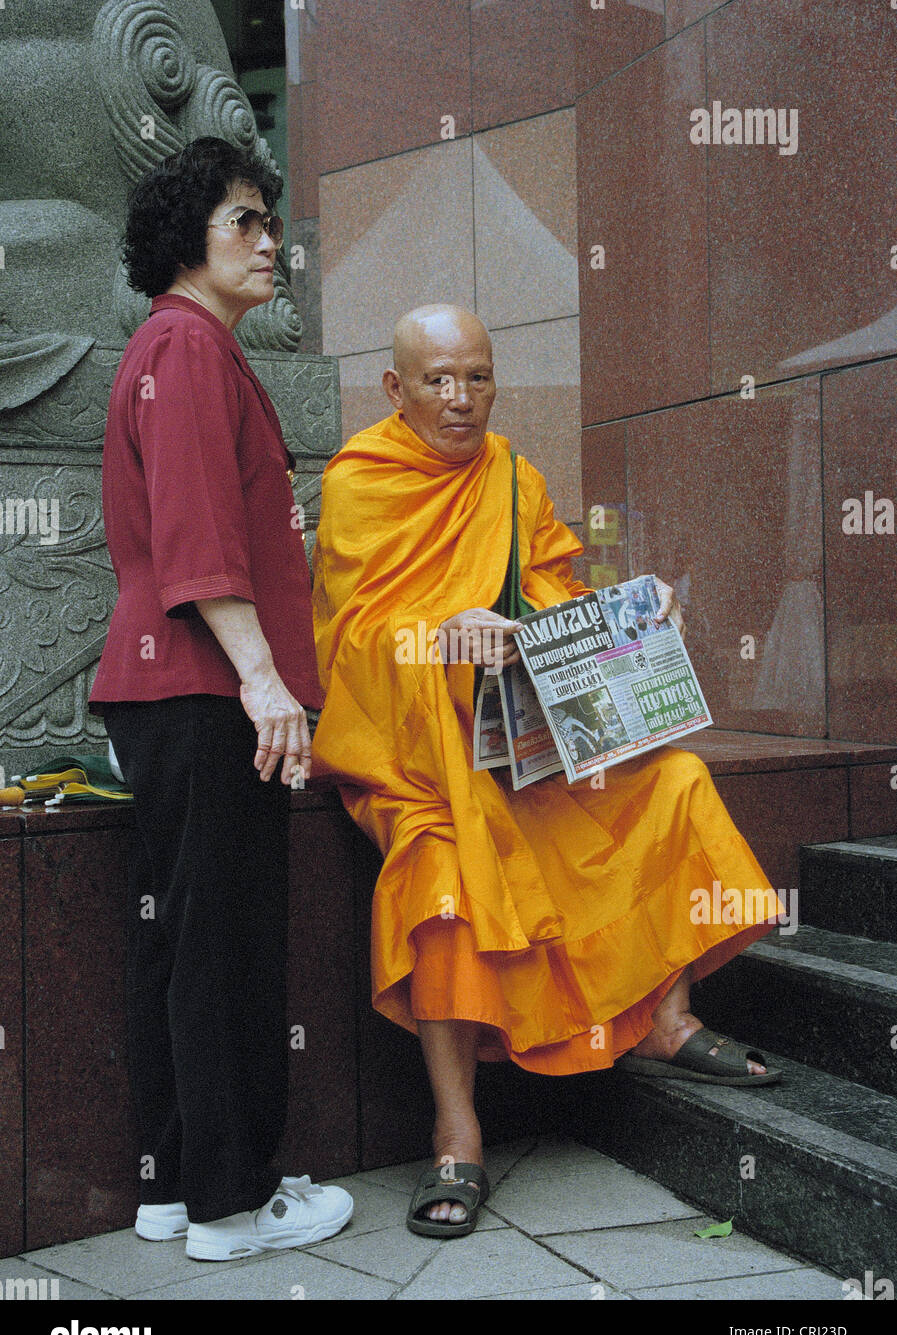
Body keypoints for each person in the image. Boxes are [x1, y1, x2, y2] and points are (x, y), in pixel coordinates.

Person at [311, 303, 782, 1239]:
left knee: (678, 782)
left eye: (477, 377)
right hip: (416, 762)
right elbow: (352, 638)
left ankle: (665, 1022)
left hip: (521, 749)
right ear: (393, 389)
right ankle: (458, 1132)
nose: (460, 399)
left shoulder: (513, 478)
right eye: (437, 381)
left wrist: (628, 623)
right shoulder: (361, 481)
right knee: (437, 879)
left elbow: (554, 596)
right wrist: (439, 636)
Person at [89, 137, 352, 1260]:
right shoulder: (187, 346)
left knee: (178, 943)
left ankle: (172, 1188)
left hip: (171, 692)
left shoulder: (175, 349)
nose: (268, 242)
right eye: (244, 221)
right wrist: (263, 681)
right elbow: (201, 540)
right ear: (189, 237)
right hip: (206, 690)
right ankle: (234, 1204)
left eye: (269, 221)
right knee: (225, 947)